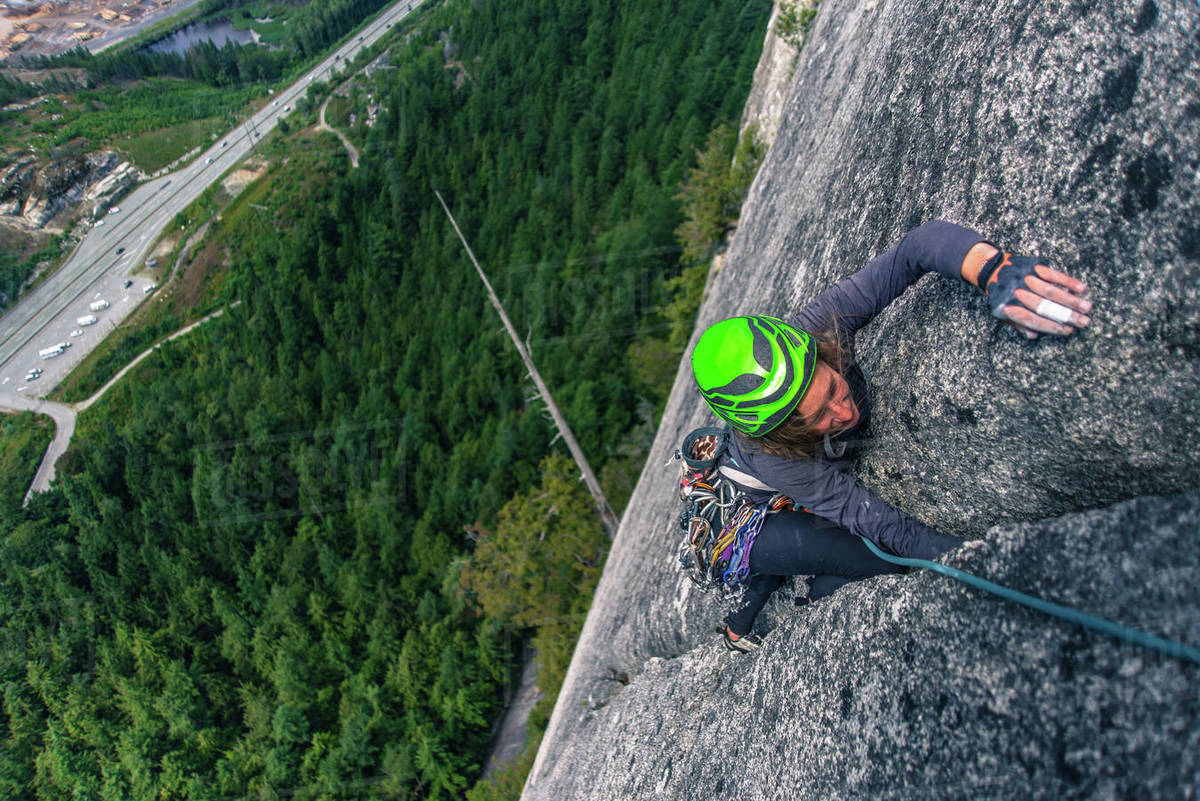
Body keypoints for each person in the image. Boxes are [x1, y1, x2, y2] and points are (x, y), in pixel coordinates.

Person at [689, 220, 1094, 652]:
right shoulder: (777, 459)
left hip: (776, 489)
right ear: (785, 434)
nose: (844, 411)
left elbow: (915, 250)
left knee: (816, 547)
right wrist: (989, 567)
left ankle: (757, 607)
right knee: (872, 558)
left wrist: (993, 269)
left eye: (831, 389)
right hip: (749, 518)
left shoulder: (821, 326)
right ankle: (758, 620)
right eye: (818, 419)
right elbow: (890, 530)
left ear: (819, 353)